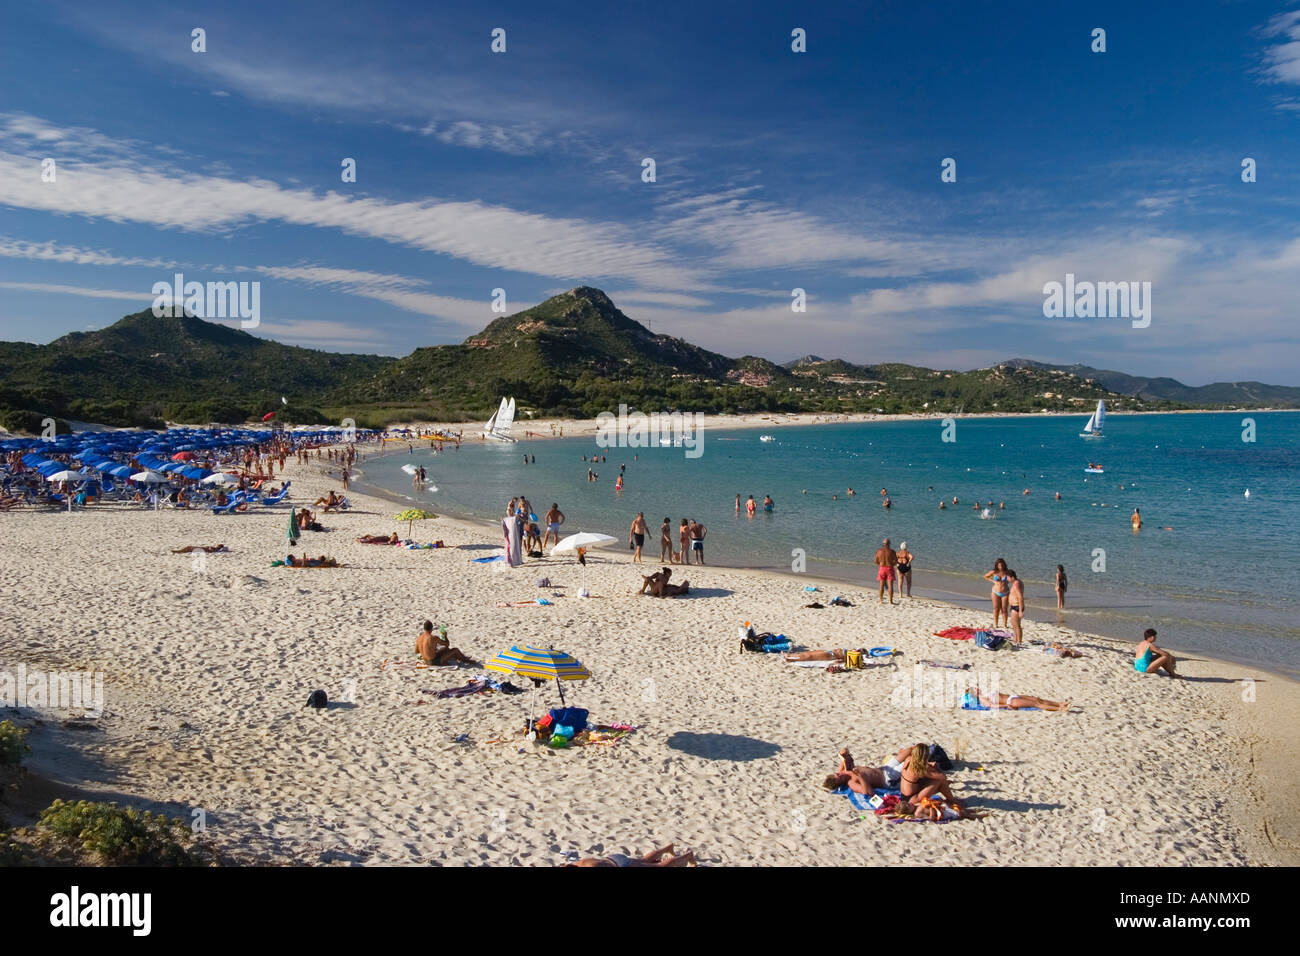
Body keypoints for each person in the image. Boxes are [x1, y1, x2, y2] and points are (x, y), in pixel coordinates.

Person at [821, 746, 912, 795]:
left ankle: (926, 749)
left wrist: (843, 752)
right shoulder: (851, 783)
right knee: (912, 760)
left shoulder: (843, 771)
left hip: (885, 768)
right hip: (888, 778)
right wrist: (860, 777)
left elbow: (844, 753)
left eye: (837, 774)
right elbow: (868, 792)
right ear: (841, 782)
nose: (840, 774)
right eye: (839, 777)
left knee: (910, 750)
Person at [898, 743, 964, 809]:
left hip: (904, 796)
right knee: (939, 781)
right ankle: (952, 800)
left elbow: (918, 762)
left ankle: (950, 798)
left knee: (931, 780)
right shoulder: (920, 769)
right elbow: (941, 777)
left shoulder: (908, 759)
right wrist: (937, 768)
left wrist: (929, 764)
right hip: (913, 800)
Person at [567, 844, 696, 867]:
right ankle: (667, 848)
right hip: (614, 858)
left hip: (622, 865)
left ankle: (687, 856)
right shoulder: (577, 863)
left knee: (659, 866)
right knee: (644, 859)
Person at [964, 686, 1070, 711]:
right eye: (975, 688)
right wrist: (1006, 705)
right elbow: (991, 705)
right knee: (1035, 704)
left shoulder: (984, 694)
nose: (977, 688)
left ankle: (1059, 703)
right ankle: (1058, 709)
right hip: (1011, 701)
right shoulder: (982, 699)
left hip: (1012, 696)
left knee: (1037, 699)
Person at [984, 558, 1010, 628]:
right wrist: (993, 581)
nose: (1000, 566)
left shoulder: (1007, 572)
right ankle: (996, 624)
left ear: (1004, 565)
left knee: (1004, 609)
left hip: (1005, 592)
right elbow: (986, 576)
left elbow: (1013, 579)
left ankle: (1005, 624)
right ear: (997, 565)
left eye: (1001, 564)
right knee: (996, 608)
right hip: (995, 592)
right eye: (999, 565)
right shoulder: (994, 572)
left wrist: (1008, 581)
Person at [874, 538, 897, 605]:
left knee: (881, 585)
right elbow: (896, 561)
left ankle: (881, 600)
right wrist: (892, 564)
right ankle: (891, 601)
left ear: (883, 544)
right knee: (890, 585)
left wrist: (880, 564)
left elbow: (876, 561)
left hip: (882, 568)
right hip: (889, 568)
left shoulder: (879, 551)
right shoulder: (892, 551)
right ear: (889, 544)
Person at [1006, 569, 1025, 644]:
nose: (1007, 579)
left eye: (1007, 577)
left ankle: (1019, 641)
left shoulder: (1016, 584)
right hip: (1014, 606)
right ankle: (1015, 639)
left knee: (1017, 625)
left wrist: (1020, 610)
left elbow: (1020, 597)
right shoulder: (1017, 582)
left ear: (1011, 577)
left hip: (1017, 606)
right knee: (1013, 623)